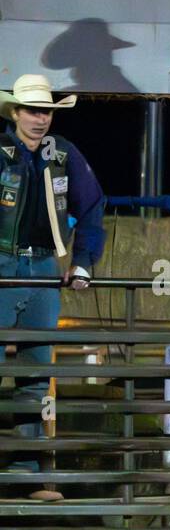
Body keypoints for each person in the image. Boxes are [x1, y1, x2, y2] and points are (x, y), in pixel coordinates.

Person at [0, 74, 106, 501]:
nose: (40, 119)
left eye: (45, 111)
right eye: (32, 111)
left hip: (44, 266)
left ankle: (27, 471)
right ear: (15, 112)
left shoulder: (64, 153)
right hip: (4, 265)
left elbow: (93, 204)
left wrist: (81, 262)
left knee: (36, 374)